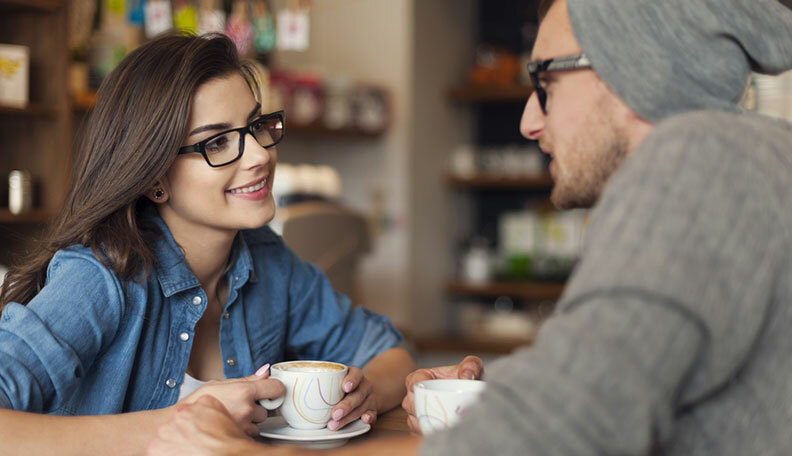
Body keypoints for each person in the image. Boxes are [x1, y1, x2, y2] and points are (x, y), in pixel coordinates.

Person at [146, 0, 792, 454]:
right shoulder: (745, 162)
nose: (528, 123)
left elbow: (567, 429)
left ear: (632, 67)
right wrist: (503, 393)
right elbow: (628, 380)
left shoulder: (699, 162)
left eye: (545, 81)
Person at [0, 32, 415, 455]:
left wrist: (363, 394)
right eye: (217, 142)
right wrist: (182, 422)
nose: (258, 155)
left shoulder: (268, 260)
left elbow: (389, 355)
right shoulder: (100, 277)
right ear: (154, 178)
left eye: (255, 126)